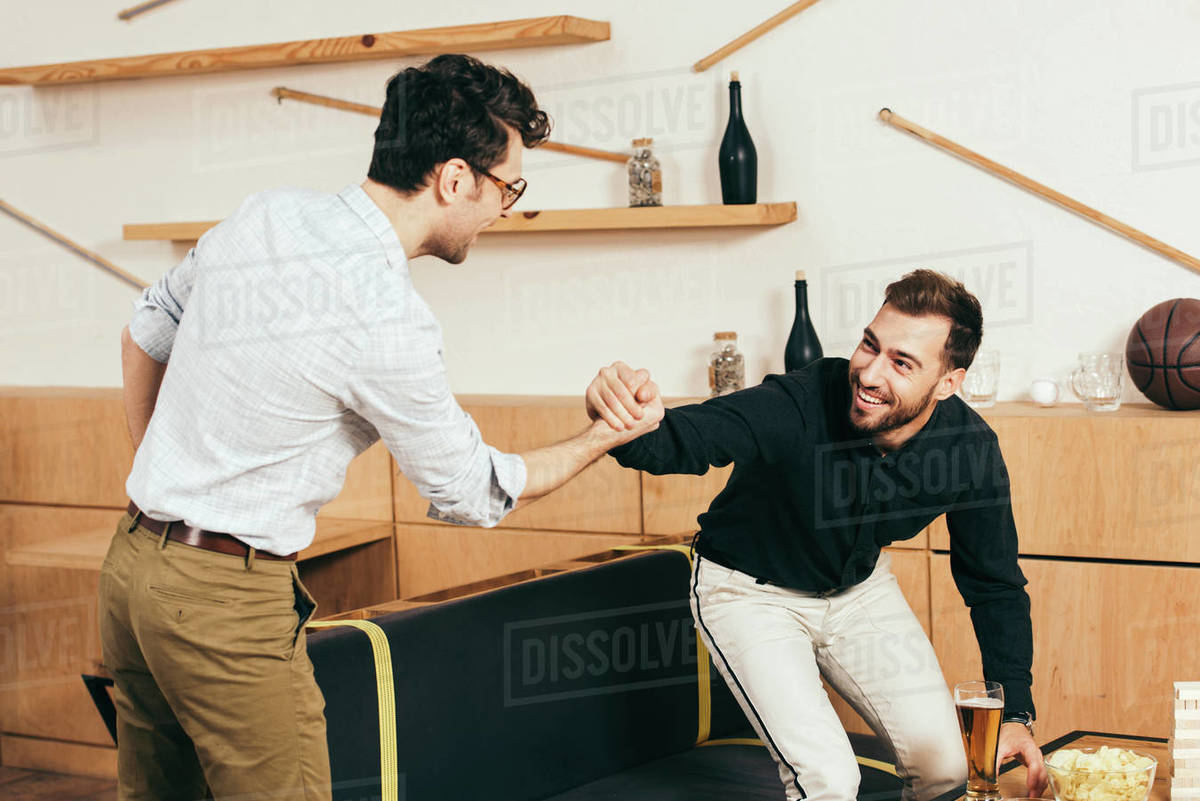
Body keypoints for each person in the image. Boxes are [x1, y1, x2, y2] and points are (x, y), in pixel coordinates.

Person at [102, 54, 661, 801]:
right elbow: (471, 492)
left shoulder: (264, 212)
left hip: (131, 563)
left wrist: (163, 493)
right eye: (507, 187)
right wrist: (602, 435)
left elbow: (144, 330)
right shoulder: (387, 315)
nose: (504, 209)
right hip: (220, 603)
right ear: (455, 179)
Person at [585, 270, 1048, 801]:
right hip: (749, 594)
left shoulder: (970, 449)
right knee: (828, 778)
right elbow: (690, 437)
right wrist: (626, 418)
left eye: (901, 363)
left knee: (946, 767)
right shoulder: (801, 400)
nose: (870, 373)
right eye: (869, 345)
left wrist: (1016, 714)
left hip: (858, 593)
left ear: (948, 382)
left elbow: (994, 585)